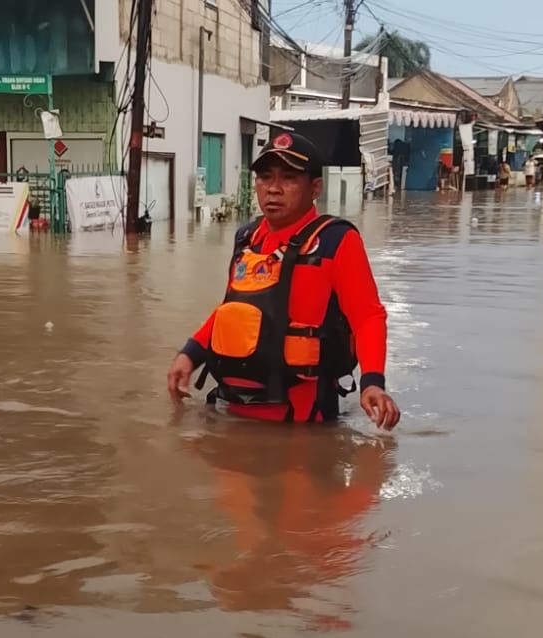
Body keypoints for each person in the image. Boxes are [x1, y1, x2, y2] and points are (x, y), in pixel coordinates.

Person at [166, 132, 400, 428]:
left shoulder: (336, 241)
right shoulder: (247, 239)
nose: (273, 189)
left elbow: (367, 316)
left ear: (315, 187)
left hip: (302, 423)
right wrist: (189, 355)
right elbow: (233, 308)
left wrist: (372, 382)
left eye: (289, 178)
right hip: (232, 413)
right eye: (265, 177)